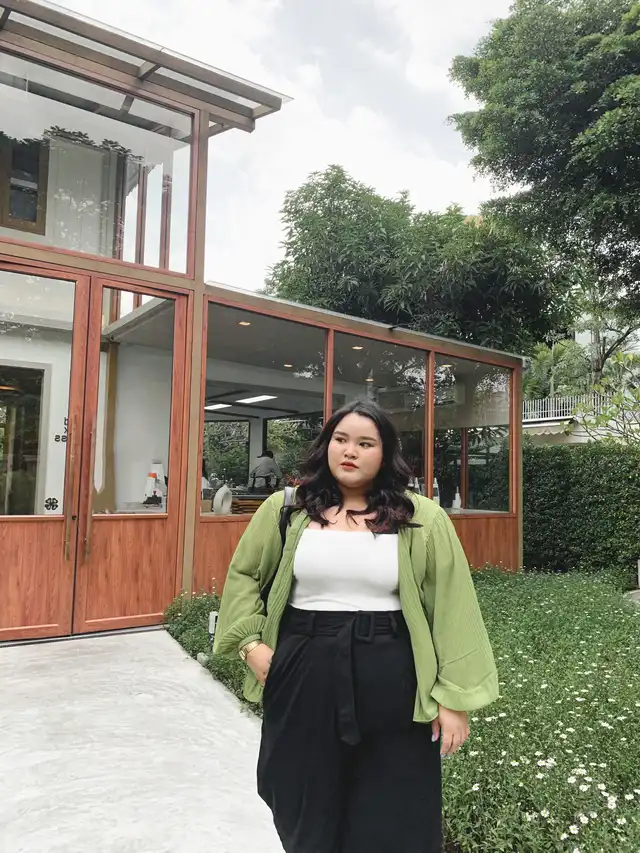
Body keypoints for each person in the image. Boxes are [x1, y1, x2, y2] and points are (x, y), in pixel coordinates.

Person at [214, 399, 499, 853]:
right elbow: (244, 575)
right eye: (341, 439)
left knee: (395, 802)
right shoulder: (287, 509)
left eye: (366, 443)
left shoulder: (421, 518)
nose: (350, 451)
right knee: (298, 791)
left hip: (393, 671)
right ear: (326, 446)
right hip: (304, 665)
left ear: (385, 454)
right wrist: (251, 644)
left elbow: (452, 605)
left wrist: (454, 699)